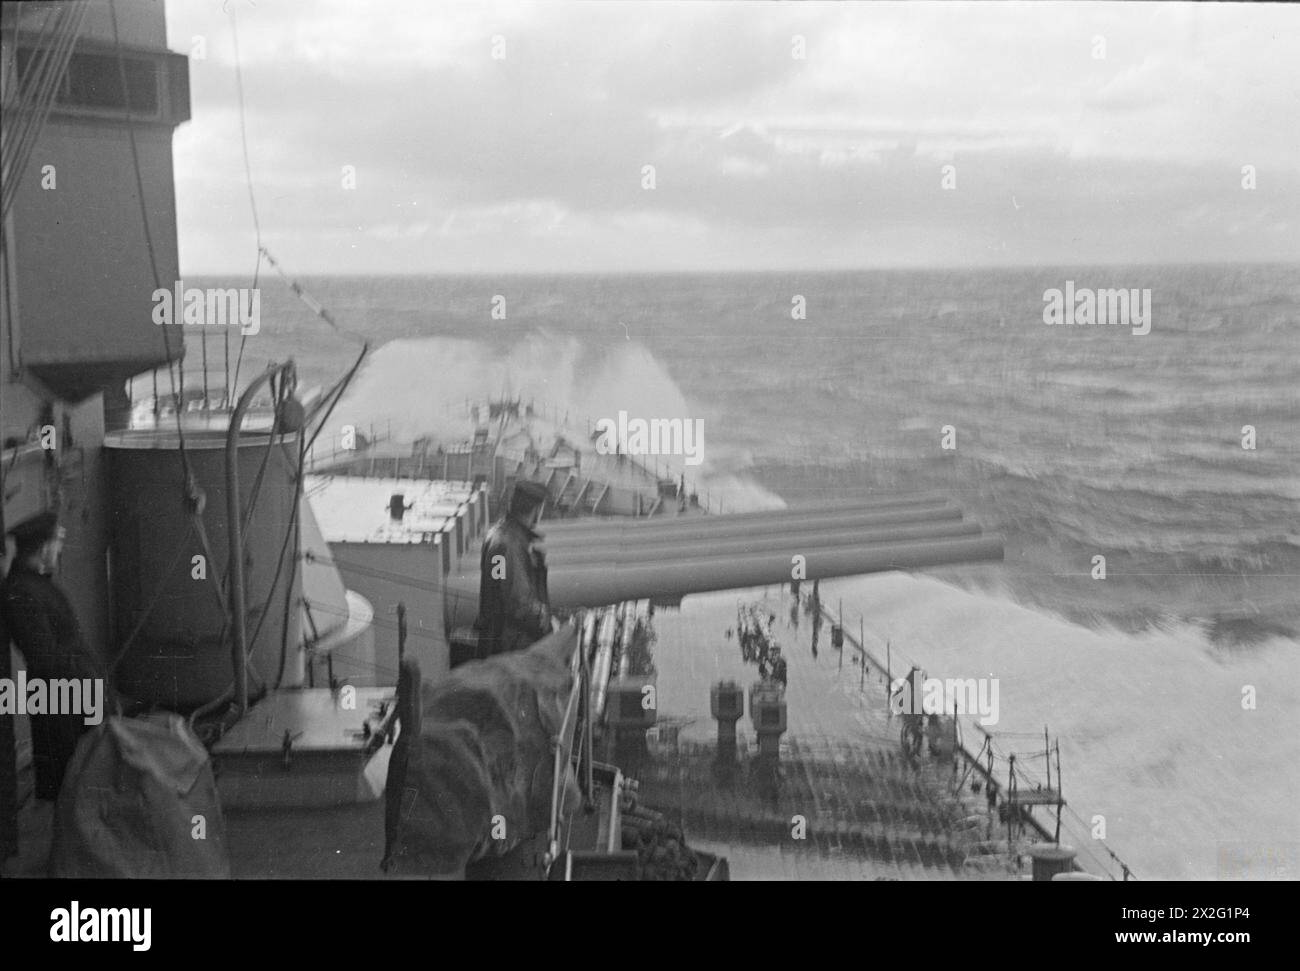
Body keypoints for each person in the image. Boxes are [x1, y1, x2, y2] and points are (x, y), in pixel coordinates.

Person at [1, 512, 117, 802]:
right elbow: (44, 659)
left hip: (72, 699)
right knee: (72, 790)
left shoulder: (36, 585)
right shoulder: (22, 592)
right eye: (58, 542)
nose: (60, 549)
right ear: (43, 548)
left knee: (83, 787)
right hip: (61, 705)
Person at [474, 481, 552, 658]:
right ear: (536, 510)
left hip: (495, 640)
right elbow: (519, 602)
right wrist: (544, 619)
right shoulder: (511, 546)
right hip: (512, 647)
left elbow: (498, 588)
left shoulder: (496, 536)